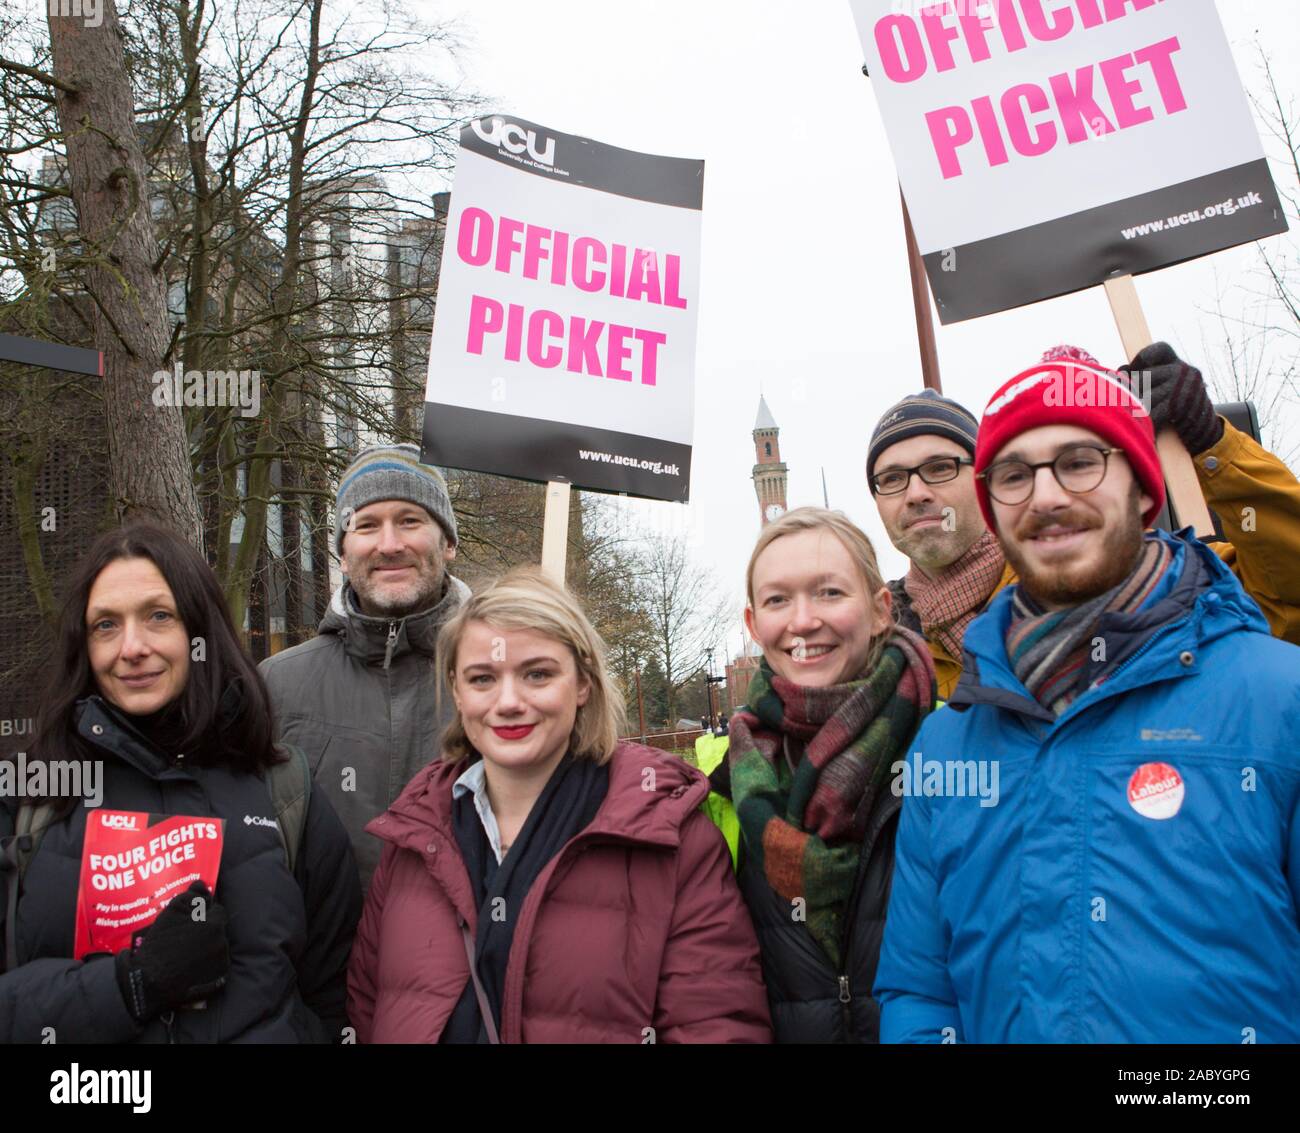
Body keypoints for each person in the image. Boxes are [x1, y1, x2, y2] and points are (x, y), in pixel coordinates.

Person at [873, 363, 1300, 1043]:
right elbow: (922, 990)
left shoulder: (1280, 698)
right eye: (1014, 475)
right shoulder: (945, 745)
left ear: (1141, 490)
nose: (1045, 495)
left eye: (1079, 461)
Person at [347, 567, 770, 1043]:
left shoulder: (671, 838)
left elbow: (716, 1027)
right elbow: (367, 1011)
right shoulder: (411, 840)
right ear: (458, 692)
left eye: (537, 674)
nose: (509, 702)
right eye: (483, 678)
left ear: (583, 683)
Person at [0, 523, 360, 1043]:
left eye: (158, 616)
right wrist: (131, 986)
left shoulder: (287, 792)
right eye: (105, 625)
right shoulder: (28, 793)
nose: (132, 647)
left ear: (200, 632)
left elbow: (334, 1000)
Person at [867, 345, 1300, 699]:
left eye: (940, 467)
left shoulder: (1159, 582)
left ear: (983, 479)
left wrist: (1215, 447)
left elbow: (1290, 590)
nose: (916, 493)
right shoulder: (882, 650)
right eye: (890, 479)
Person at [707, 508, 936, 1042]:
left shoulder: (953, 749)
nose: (803, 621)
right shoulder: (718, 782)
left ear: (882, 611)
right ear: (753, 624)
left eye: (830, 592)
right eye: (778, 600)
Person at [261, 443, 470, 891]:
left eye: (410, 521)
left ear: (449, 541)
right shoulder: (275, 685)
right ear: (342, 552)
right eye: (367, 525)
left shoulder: (506, 675)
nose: (389, 544)